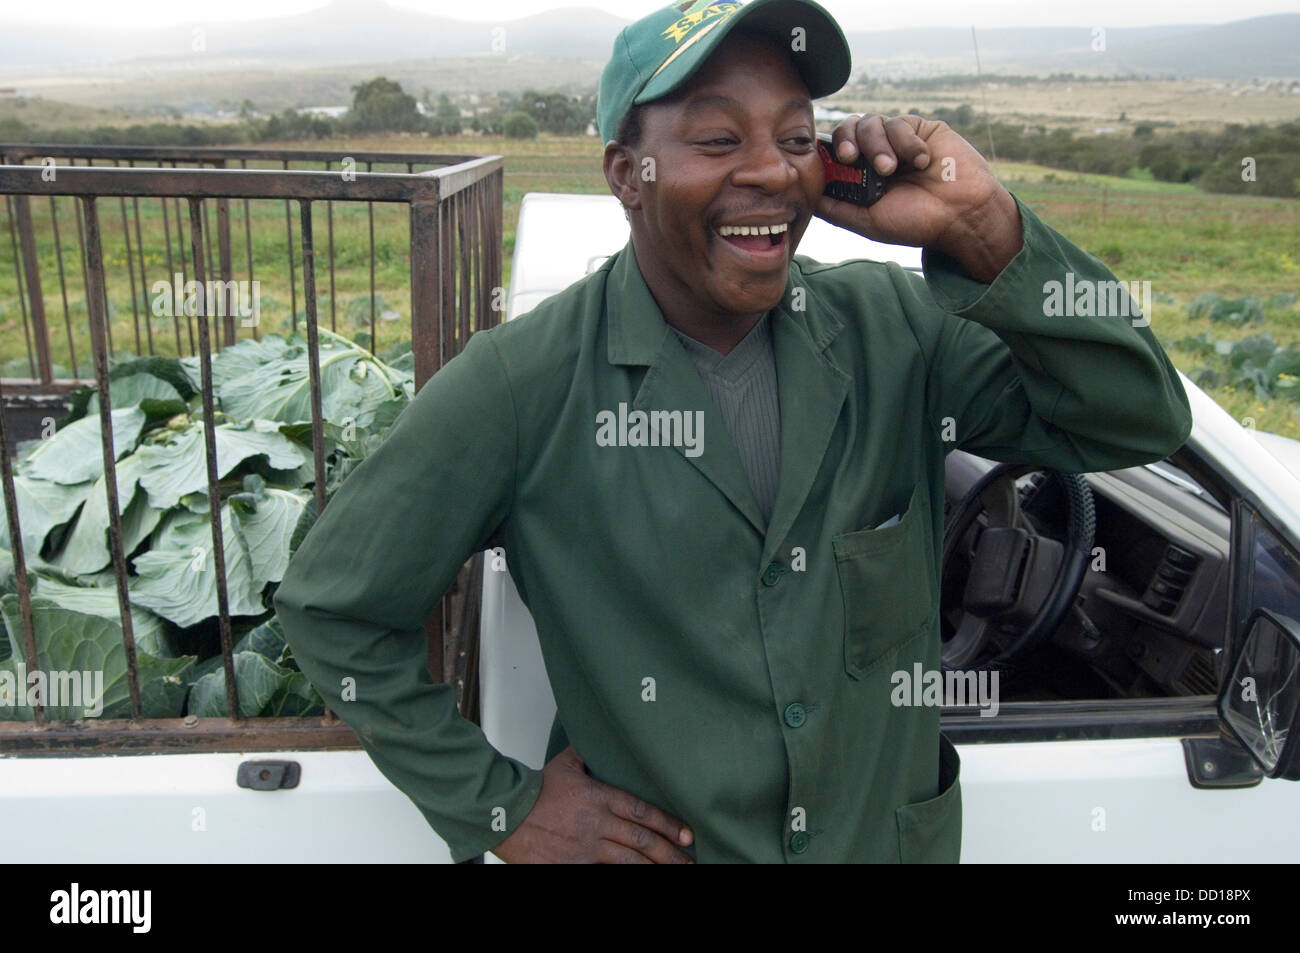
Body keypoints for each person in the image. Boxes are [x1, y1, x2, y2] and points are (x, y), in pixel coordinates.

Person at [273, 0, 1192, 863]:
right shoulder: (525, 384)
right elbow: (334, 607)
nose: (769, 169)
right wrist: (499, 808)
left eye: (797, 137)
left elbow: (1138, 416)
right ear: (625, 173)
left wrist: (985, 226)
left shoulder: (896, 333)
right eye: (717, 138)